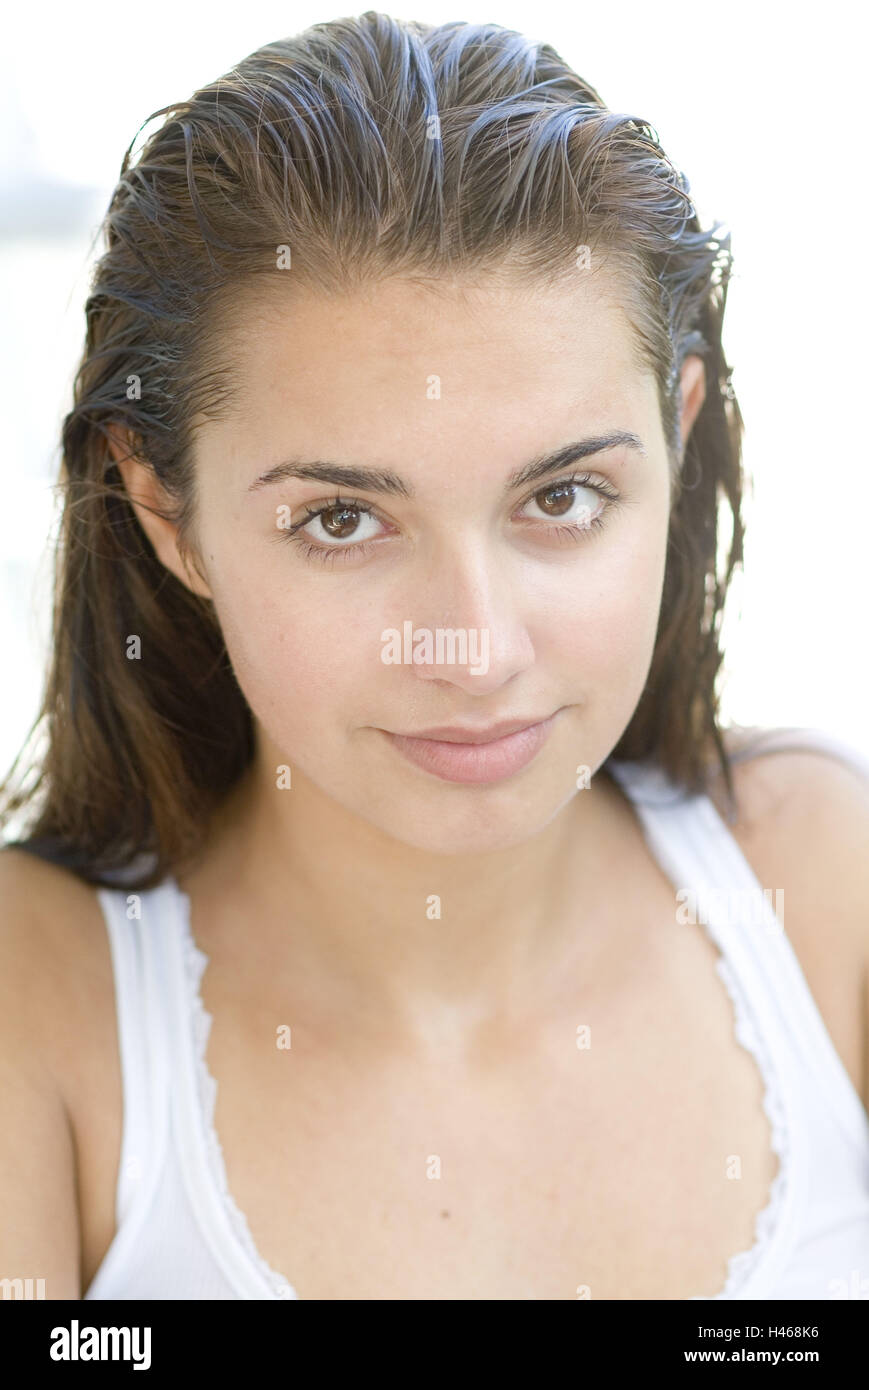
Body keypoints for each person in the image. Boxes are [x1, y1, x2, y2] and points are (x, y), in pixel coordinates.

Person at [1, 12, 867, 1302]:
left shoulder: (823, 876)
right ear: (165, 512)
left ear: (676, 446)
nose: (474, 650)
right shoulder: (41, 1011)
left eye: (563, 499)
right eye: (342, 520)